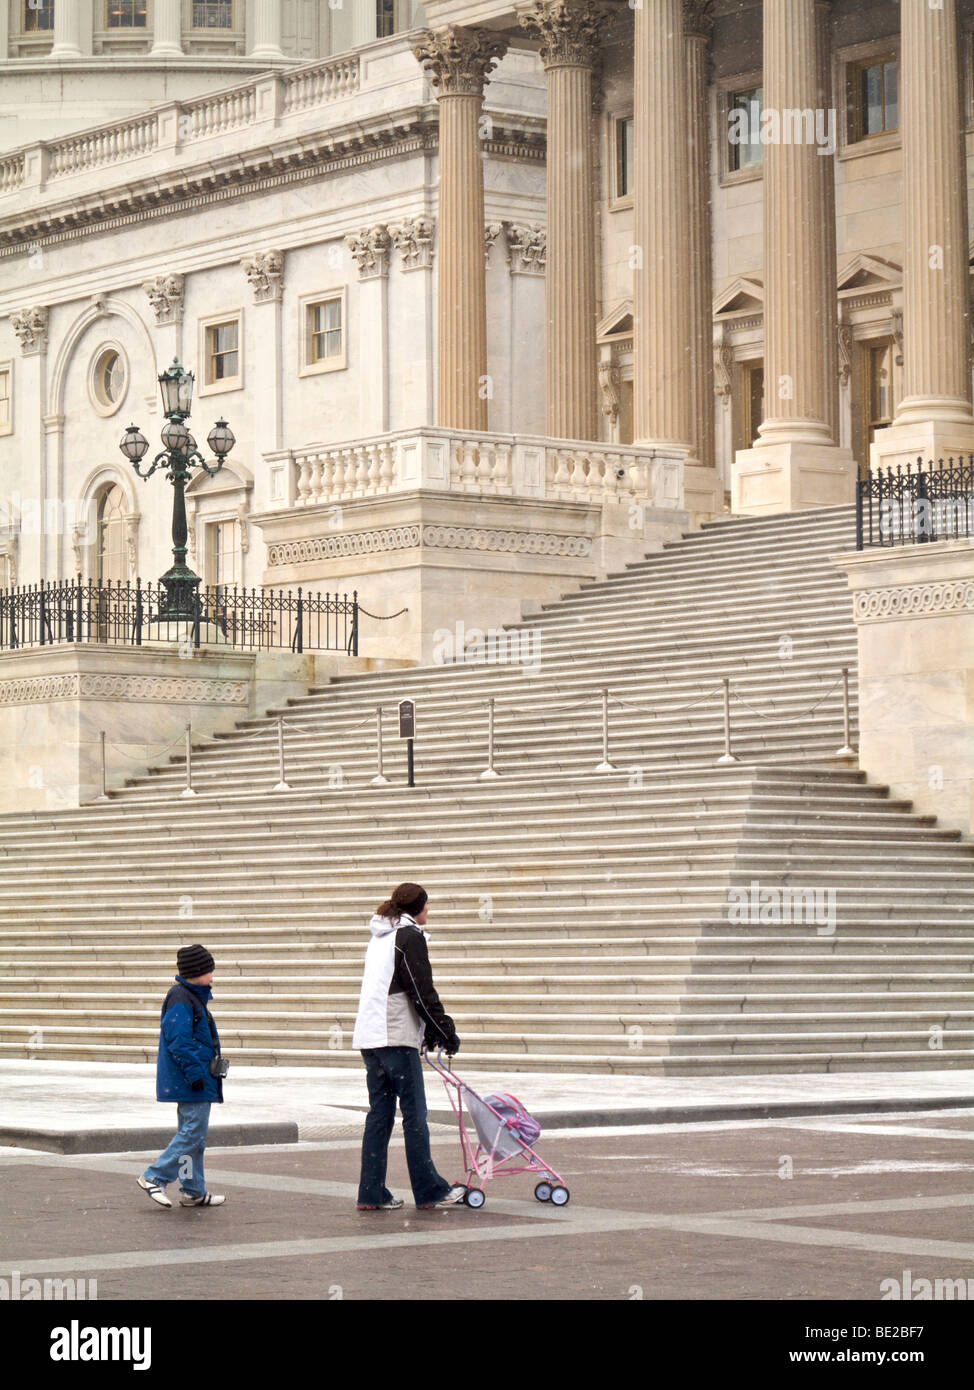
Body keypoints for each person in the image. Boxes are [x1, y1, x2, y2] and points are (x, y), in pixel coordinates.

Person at [351, 882, 466, 1211]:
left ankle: (371, 1192)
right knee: (415, 1116)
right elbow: (421, 989)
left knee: (380, 1116)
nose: (429, 911)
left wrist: (428, 1029)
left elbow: (398, 987)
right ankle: (429, 1190)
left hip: (371, 1038)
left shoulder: (380, 936)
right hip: (395, 1037)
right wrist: (443, 1029)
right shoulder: (409, 937)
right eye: (427, 906)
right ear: (416, 908)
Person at [137, 944, 226, 1210]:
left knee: (194, 1137)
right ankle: (154, 1176)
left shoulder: (190, 996)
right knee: (192, 1134)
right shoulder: (181, 998)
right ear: (196, 972)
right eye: (209, 971)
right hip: (192, 1080)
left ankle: (193, 1190)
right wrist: (195, 1075)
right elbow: (179, 1042)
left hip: (195, 1079)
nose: (212, 976)